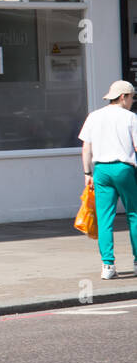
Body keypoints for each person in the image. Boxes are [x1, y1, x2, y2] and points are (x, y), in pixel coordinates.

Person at [78, 80, 137, 280]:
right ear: (123, 97)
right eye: (131, 97)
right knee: (134, 215)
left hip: (101, 170)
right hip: (124, 168)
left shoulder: (94, 116)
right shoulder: (130, 118)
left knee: (105, 219)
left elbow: (86, 148)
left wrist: (87, 173)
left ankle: (108, 266)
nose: (132, 101)